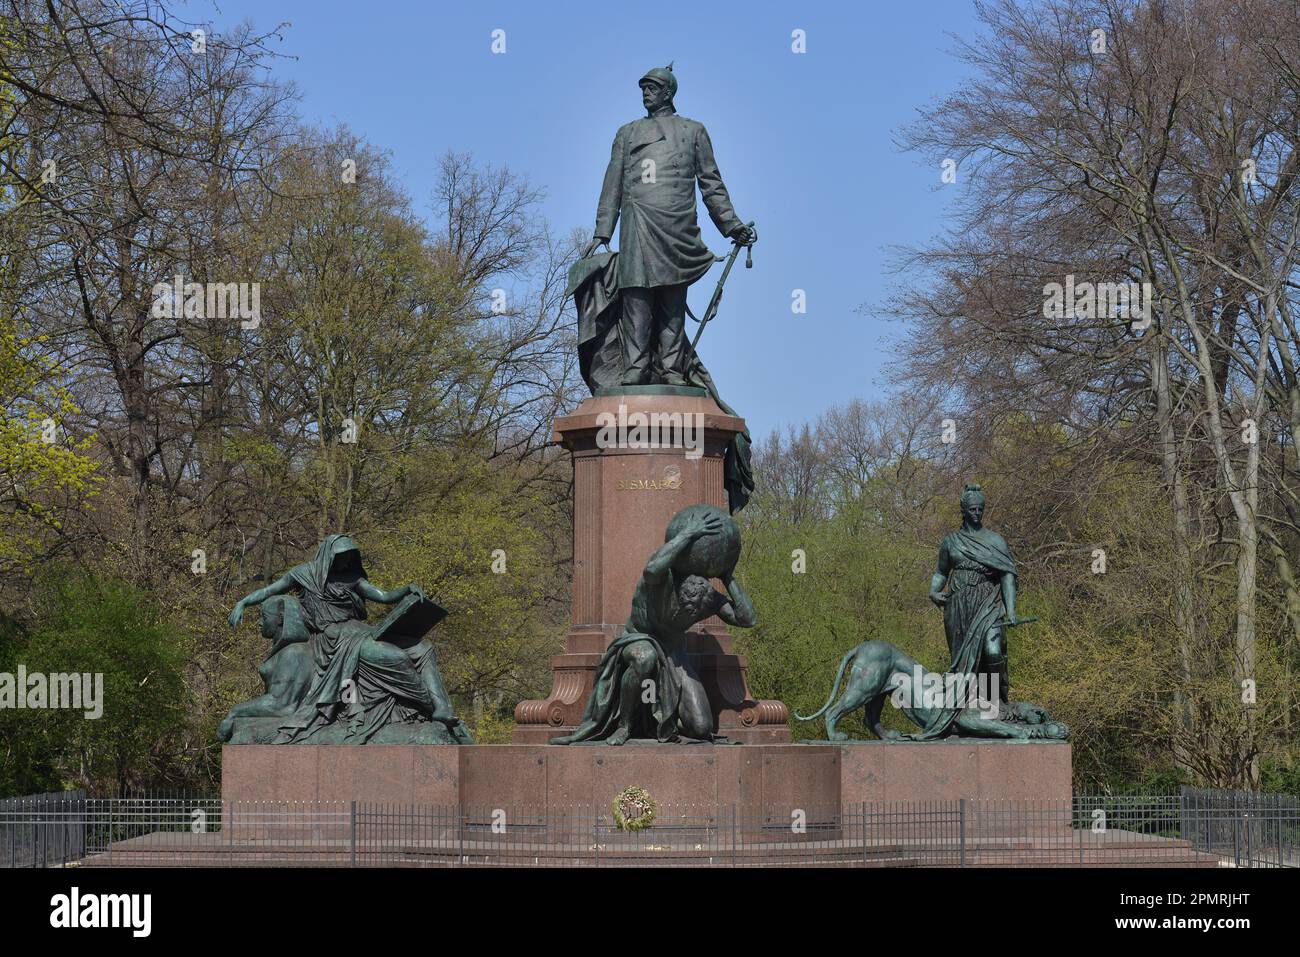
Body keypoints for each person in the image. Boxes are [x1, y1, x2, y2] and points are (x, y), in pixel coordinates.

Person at [581, 63, 755, 385]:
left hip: (677, 227)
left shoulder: (693, 131)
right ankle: (636, 367)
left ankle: (672, 369)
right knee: (636, 297)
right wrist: (602, 231)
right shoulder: (627, 133)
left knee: (673, 300)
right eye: (643, 88)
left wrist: (732, 225)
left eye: (652, 88)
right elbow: (612, 185)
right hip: (637, 225)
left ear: (668, 92)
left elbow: (711, 185)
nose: (646, 94)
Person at [227, 534, 459, 743]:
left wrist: (407, 590)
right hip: (335, 640)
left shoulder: (353, 578)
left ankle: (441, 708)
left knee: (422, 647)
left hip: (361, 631)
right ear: (329, 556)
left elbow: (384, 596)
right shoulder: (303, 574)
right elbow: (270, 591)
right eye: (343, 557)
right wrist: (243, 602)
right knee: (394, 657)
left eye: (350, 557)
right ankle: (426, 705)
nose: (347, 562)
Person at [551, 509, 756, 745]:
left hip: (674, 654)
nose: (690, 611)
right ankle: (625, 725)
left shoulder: (706, 596)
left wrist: (727, 577)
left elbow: (747, 619)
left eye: (693, 609)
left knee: (701, 727)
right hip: (638, 638)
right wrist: (688, 534)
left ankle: (662, 722)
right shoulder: (660, 578)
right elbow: (651, 569)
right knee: (644, 657)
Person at [928, 484, 1018, 722]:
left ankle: (999, 702)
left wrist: (1011, 610)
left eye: (981, 509)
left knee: (993, 651)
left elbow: (1007, 575)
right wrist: (933, 592)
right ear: (964, 510)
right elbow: (940, 572)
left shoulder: (995, 541)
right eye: (973, 509)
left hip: (988, 603)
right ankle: (968, 708)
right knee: (963, 660)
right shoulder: (951, 542)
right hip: (958, 606)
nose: (977, 513)